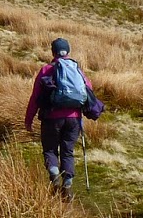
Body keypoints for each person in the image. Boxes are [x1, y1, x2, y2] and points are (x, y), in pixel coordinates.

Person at [24, 37, 94, 200]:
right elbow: (88, 89)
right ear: (68, 51)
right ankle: (67, 186)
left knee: (50, 149)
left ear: (53, 52)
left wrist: (29, 119)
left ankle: (55, 176)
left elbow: (35, 97)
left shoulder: (46, 70)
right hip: (74, 119)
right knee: (67, 152)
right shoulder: (77, 70)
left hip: (51, 118)